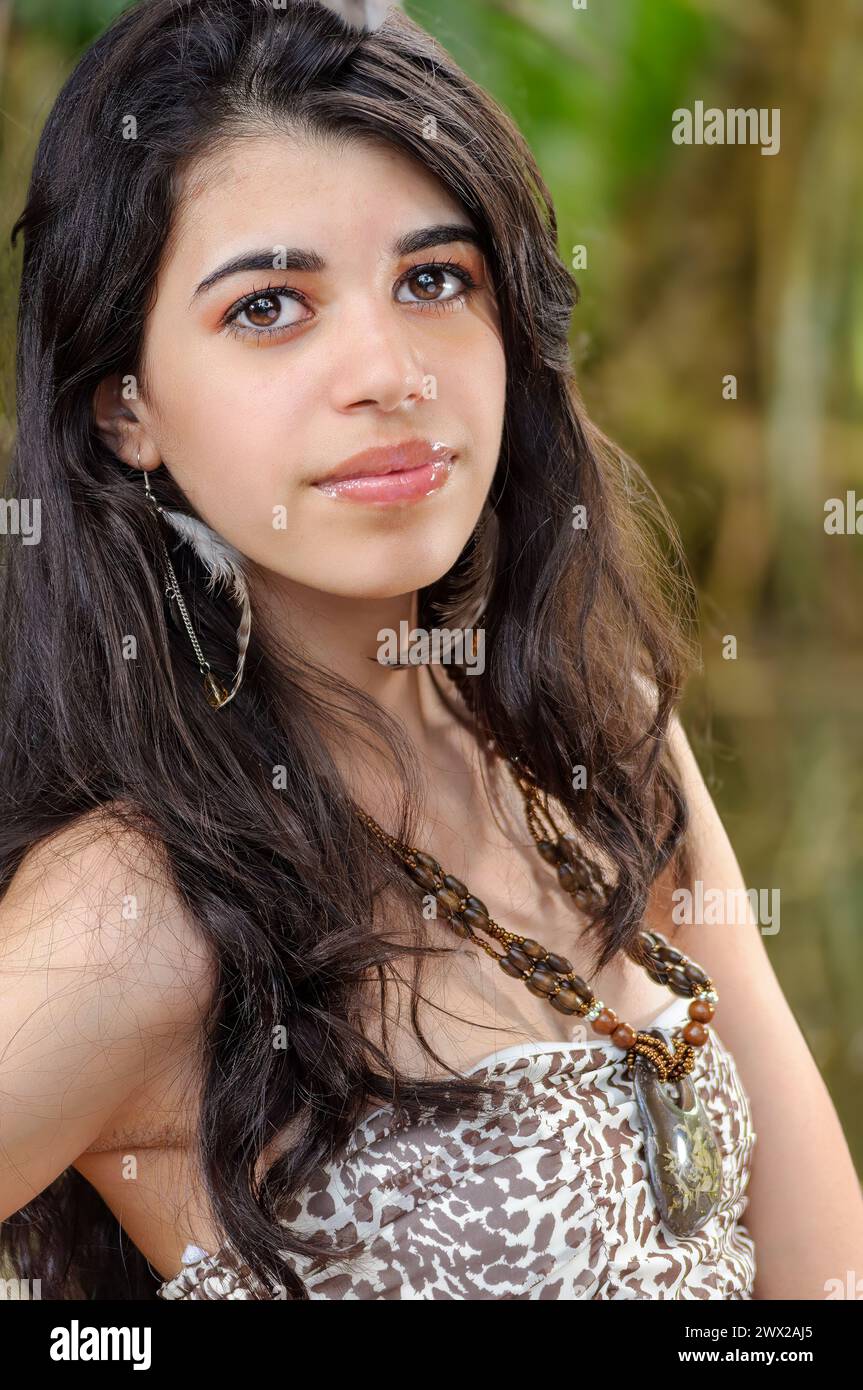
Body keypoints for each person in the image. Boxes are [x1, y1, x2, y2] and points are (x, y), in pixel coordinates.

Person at [1, 0, 860, 1301]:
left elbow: (823, 1271)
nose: (388, 368)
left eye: (435, 279)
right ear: (128, 407)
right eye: (273, 306)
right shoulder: (140, 907)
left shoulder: (602, 732)